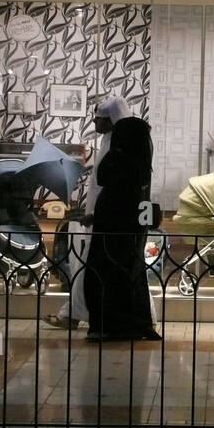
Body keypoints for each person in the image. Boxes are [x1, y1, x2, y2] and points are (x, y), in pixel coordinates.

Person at [42, 95, 133, 331]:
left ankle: (73, 314)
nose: (94, 123)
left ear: (111, 120)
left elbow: (111, 187)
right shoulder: (111, 142)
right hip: (101, 216)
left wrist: (96, 214)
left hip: (106, 218)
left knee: (91, 266)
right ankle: (74, 314)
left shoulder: (117, 146)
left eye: (99, 119)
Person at [86, 112, 160, 341]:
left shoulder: (118, 158)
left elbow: (104, 179)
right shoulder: (137, 164)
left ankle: (114, 325)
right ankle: (130, 324)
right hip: (129, 230)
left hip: (117, 228)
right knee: (127, 274)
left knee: (113, 273)